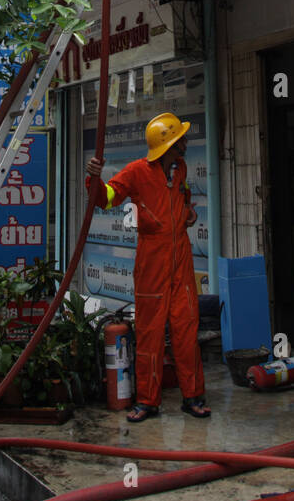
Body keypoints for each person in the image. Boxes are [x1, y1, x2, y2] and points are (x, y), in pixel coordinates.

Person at [86, 112, 210, 422]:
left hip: (180, 256)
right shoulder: (137, 172)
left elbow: (182, 202)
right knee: (151, 332)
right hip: (152, 259)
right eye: (180, 138)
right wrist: (94, 178)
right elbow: (106, 199)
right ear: (169, 144)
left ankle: (193, 397)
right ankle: (147, 401)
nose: (185, 142)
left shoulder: (179, 169)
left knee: (186, 330)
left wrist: (188, 215)